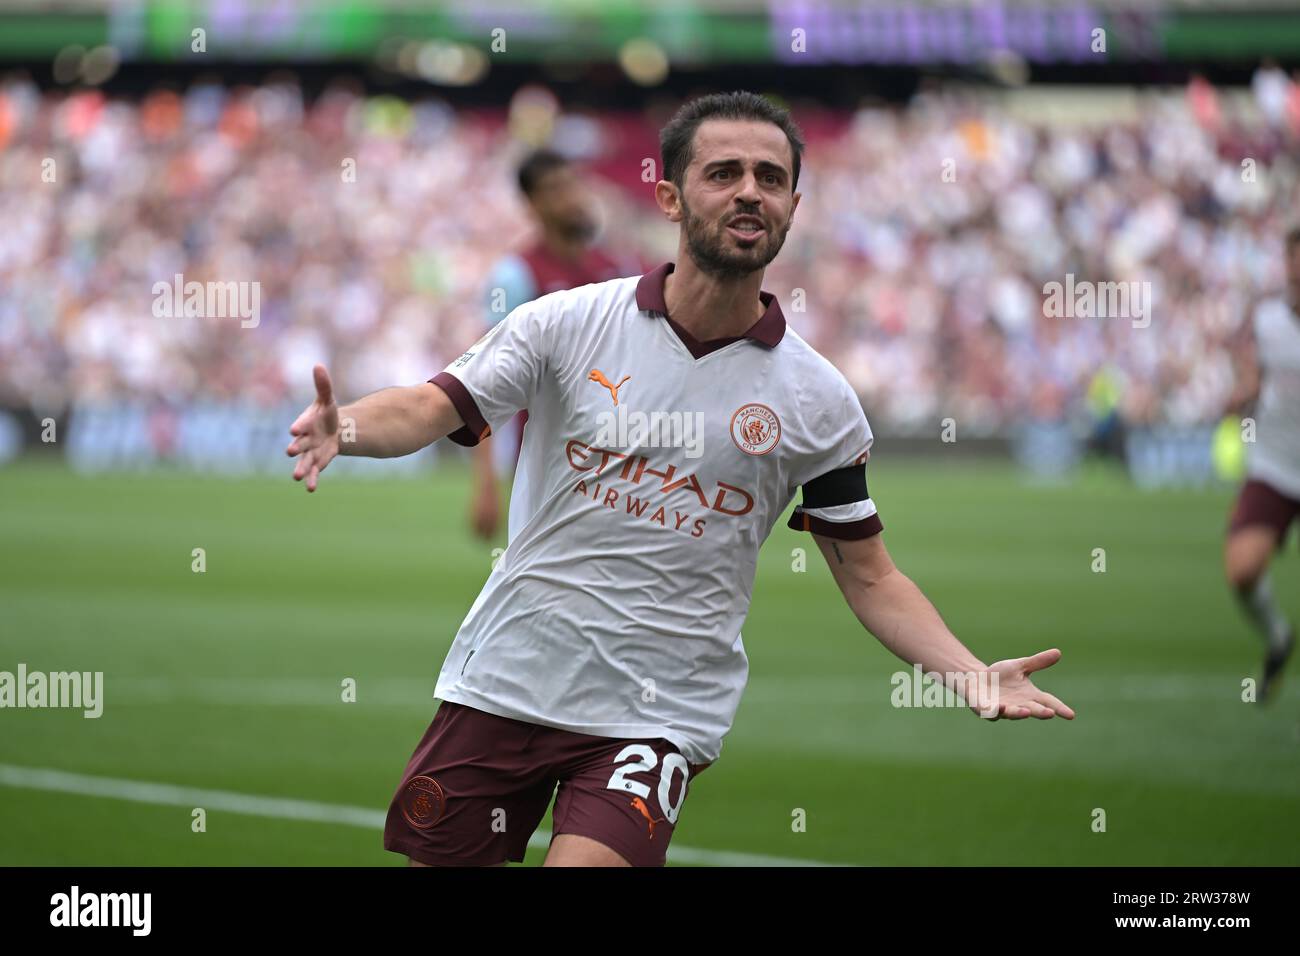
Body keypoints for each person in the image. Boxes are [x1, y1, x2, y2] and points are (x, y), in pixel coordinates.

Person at [286, 91, 1074, 868]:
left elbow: (870, 576)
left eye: (770, 177)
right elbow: (431, 406)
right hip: (508, 678)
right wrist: (344, 426)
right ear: (668, 195)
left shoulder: (820, 402)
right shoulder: (566, 323)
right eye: (723, 172)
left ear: (794, 204)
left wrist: (969, 674)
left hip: (656, 712)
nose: (749, 192)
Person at [469, 149, 640, 540]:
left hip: (618, 465)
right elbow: (485, 379)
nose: (571, 197)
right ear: (532, 204)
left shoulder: (616, 269)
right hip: (547, 465)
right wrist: (485, 483)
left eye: (573, 184)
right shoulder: (515, 276)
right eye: (555, 189)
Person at [1224, 226, 1300, 702]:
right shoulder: (1268, 319)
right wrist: (1242, 396)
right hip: (1275, 463)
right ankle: (1278, 635)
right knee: (1242, 568)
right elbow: (1253, 376)